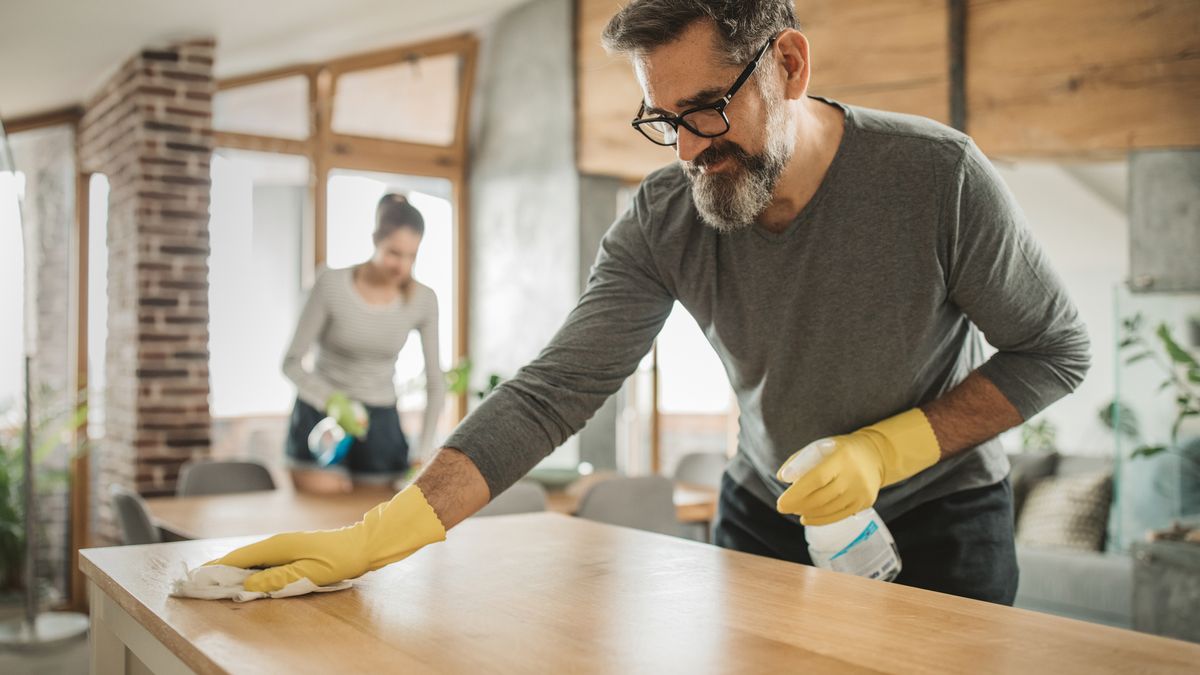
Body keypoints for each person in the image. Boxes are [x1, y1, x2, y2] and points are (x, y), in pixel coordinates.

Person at [211, 0, 1090, 605]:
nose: (686, 150)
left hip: (940, 519)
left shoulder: (937, 178)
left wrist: (890, 446)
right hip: (767, 515)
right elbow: (555, 389)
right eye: (662, 120)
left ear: (787, 63)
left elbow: (1056, 349)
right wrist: (386, 529)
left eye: (706, 109)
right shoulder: (666, 217)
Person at [281, 192, 445, 485]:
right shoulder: (330, 284)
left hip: (380, 423)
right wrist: (331, 401)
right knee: (323, 515)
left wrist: (423, 452)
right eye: (394, 252)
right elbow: (291, 363)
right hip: (320, 414)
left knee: (375, 514)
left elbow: (435, 382)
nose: (402, 265)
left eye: (411, 256)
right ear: (375, 240)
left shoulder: (423, 300)